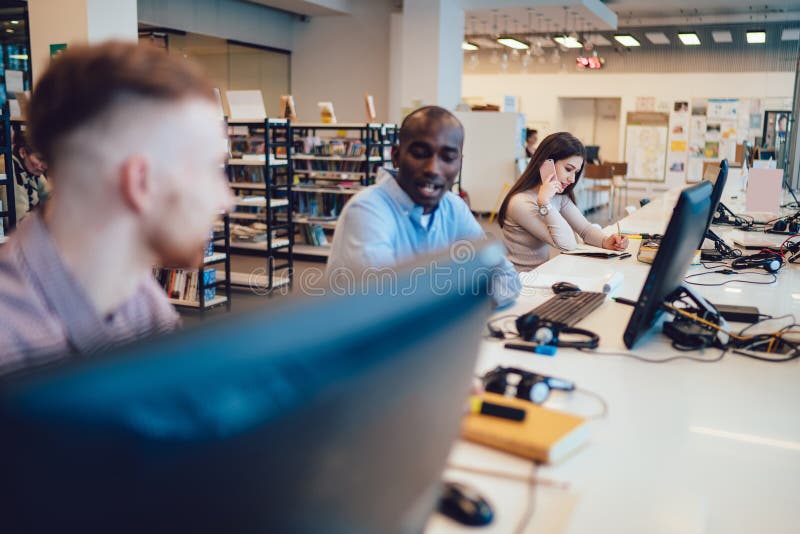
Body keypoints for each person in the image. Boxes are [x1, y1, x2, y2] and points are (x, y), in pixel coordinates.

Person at [0, 42, 233, 371]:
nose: (226, 200)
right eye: (209, 169)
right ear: (141, 183)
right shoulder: (9, 342)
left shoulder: (141, 301)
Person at [326, 106, 520, 307]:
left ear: (459, 164)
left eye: (448, 158)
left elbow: (507, 278)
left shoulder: (453, 207)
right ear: (396, 155)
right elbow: (385, 301)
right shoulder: (367, 210)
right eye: (419, 154)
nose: (433, 169)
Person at [498, 132, 628, 272]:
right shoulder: (520, 202)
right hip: (517, 283)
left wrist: (605, 241)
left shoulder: (558, 197)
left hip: (539, 275)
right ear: (546, 163)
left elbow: (585, 230)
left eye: (576, 172)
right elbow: (568, 245)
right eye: (568, 169)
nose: (572, 179)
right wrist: (545, 204)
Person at [11, 130, 49, 224]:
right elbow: (19, 220)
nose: (45, 166)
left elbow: (50, 196)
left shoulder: (31, 168)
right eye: (40, 159)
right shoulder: (11, 168)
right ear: (23, 152)